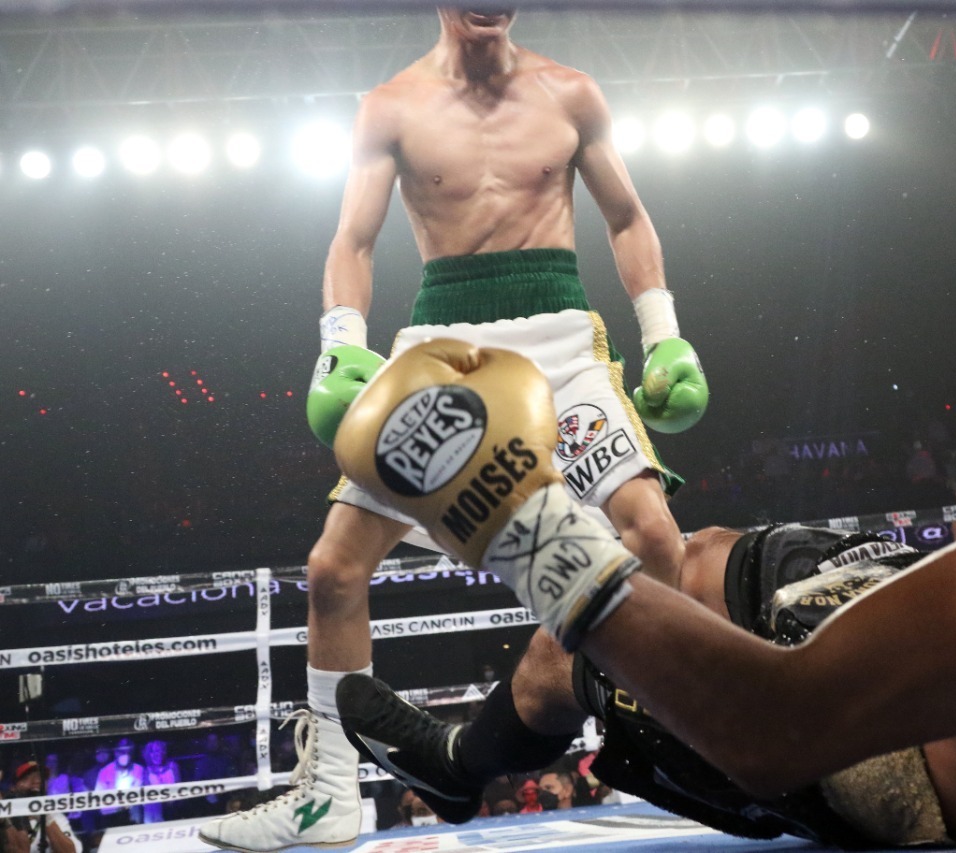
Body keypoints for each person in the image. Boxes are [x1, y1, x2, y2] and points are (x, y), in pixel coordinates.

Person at [331, 97, 956, 846]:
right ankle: (463, 759)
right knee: (695, 555)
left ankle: (462, 758)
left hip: (896, 770)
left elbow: (775, 731)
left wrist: (521, 520)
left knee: (637, 600)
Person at [198, 8, 707, 852]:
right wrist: (340, 346)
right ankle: (327, 796)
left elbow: (625, 217)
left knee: (652, 533)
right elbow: (353, 238)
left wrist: (664, 334)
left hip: (560, 334)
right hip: (442, 344)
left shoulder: (570, 92)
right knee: (333, 568)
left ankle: (648, 735)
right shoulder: (392, 105)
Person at [7, 761, 83, 853]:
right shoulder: (5, 817)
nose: (37, 781)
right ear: (13, 787)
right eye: (27, 778)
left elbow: (71, 852)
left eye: (41, 778)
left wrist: (46, 819)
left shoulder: (54, 816)